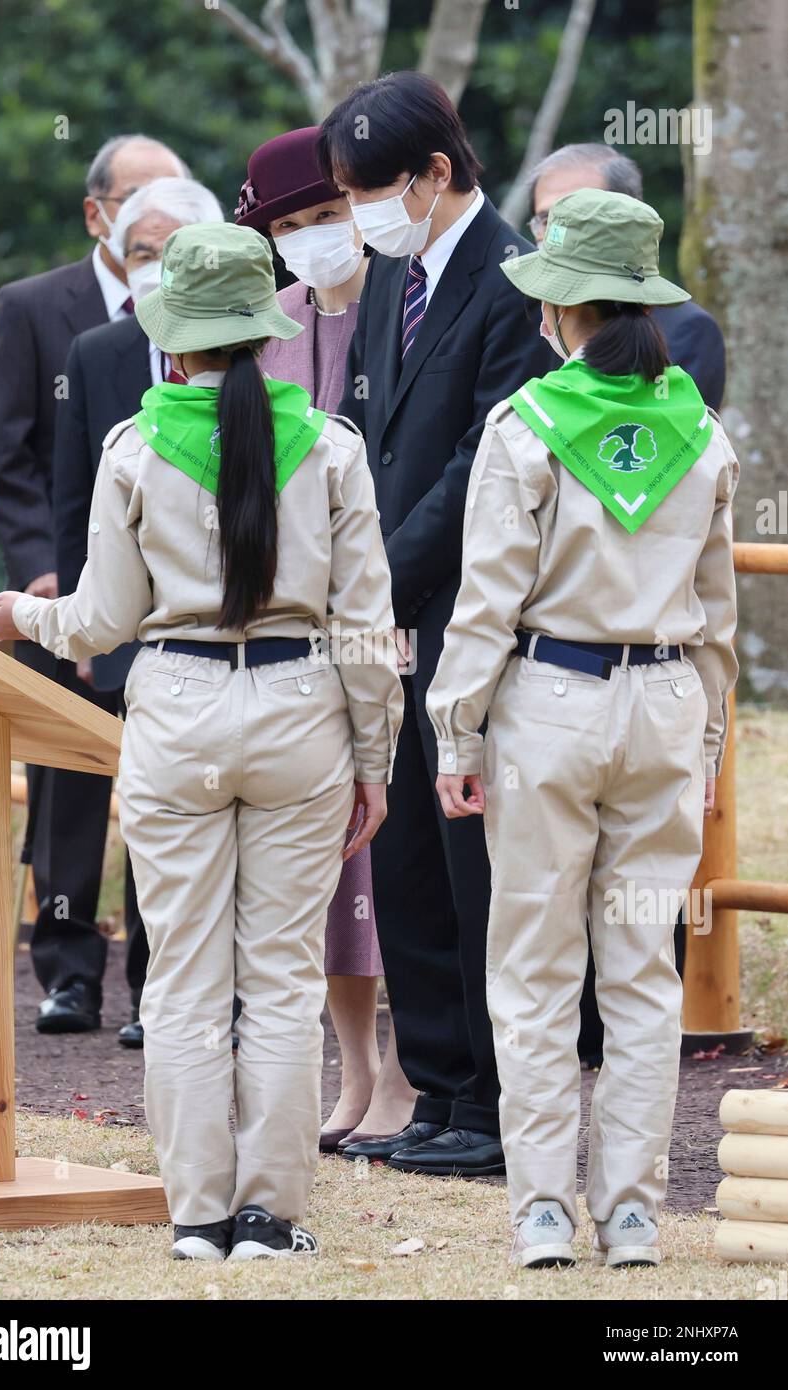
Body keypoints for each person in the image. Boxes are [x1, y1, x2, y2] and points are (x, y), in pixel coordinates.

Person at [0, 222, 403, 1263]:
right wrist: (375, 758)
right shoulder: (334, 446)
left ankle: (198, 1214)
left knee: (185, 981)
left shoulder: (131, 446)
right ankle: (272, 1214)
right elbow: (365, 624)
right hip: (303, 709)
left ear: (174, 337)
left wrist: (23, 618)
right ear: (262, 331)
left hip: (177, 707)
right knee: (285, 975)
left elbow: (101, 621)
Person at [427, 188, 738, 1268]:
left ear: (562, 309)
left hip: (549, 708)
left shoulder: (525, 428)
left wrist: (454, 734)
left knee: (534, 969)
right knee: (643, 970)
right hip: (662, 706)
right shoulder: (701, 429)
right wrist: (705, 749)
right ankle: (639, 1212)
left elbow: (486, 604)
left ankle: (546, 1208)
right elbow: (719, 618)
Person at [319, 71, 553, 1176]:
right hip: (386, 616)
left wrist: (381, 573)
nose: (360, 209)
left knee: (475, 871)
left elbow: (477, 469)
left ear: (438, 174)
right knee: (402, 855)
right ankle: (440, 1089)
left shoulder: (516, 283)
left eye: (372, 188)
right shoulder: (386, 275)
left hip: (469, 622)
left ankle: (498, 1106)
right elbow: (367, 435)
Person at [234, 126, 416, 1151]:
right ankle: (356, 1075)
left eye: (326, 215)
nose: (312, 239)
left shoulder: (403, 308)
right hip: (304, 625)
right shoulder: (274, 327)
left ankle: (408, 1076)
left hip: (400, 613)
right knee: (330, 870)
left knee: (401, 867)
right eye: (291, 227)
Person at [526, 141, 728, 1066]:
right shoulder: (538, 358)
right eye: (543, 221)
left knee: (633, 932)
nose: (552, 239)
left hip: (628, 655)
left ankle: (572, 1192)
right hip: (597, 676)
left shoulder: (682, 344)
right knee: (555, 923)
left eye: (569, 220)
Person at [0, 133, 188, 1037]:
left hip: (177, 600)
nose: (151, 216)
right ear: (95, 210)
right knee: (69, 778)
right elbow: (13, 458)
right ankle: (68, 972)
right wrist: (46, 580)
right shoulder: (33, 307)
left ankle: (156, 978)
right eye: (135, 198)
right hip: (67, 581)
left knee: (164, 779)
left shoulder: (209, 312)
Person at [51, 176, 224, 1047]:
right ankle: (103, 984)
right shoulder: (98, 352)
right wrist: (85, 621)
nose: (155, 267)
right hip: (120, 622)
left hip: (223, 636)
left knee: (190, 819)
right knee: (140, 812)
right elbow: (70, 495)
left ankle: (164, 991)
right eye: (143, 251)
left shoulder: (261, 366)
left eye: (173, 251)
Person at [528, 143, 726, 409]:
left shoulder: (685, 331)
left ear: (629, 215)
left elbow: (669, 438)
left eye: (583, 216)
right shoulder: (524, 317)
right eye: (547, 219)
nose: (561, 231)